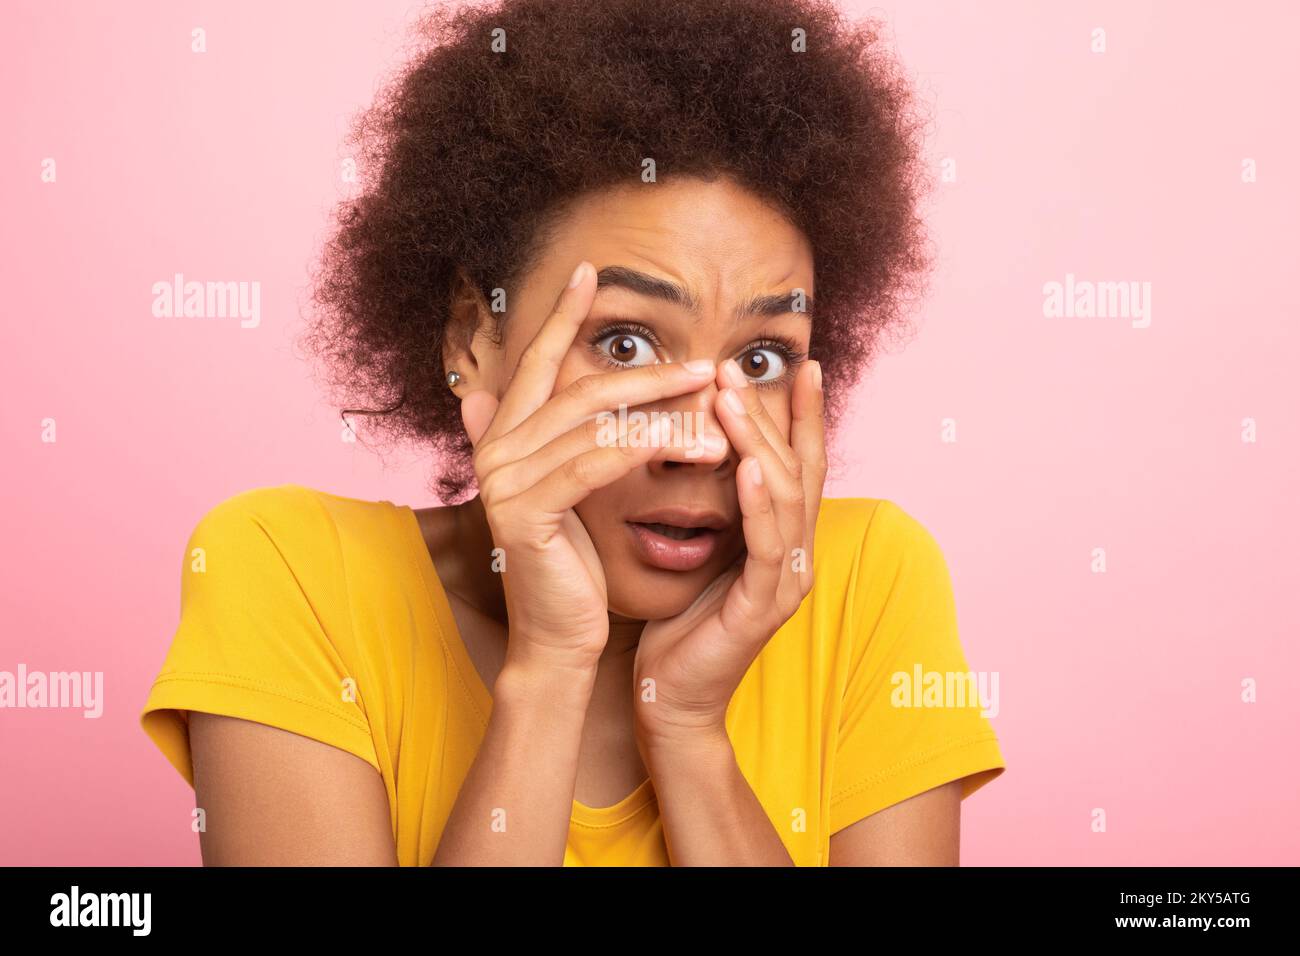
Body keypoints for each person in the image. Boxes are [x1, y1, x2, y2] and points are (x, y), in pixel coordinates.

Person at [140, 0, 1005, 866]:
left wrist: (691, 730)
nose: (697, 444)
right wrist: (549, 669)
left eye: (761, 359)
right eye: (625, 344)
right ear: (474, 339)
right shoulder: (290, 573)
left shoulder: (868, 583)